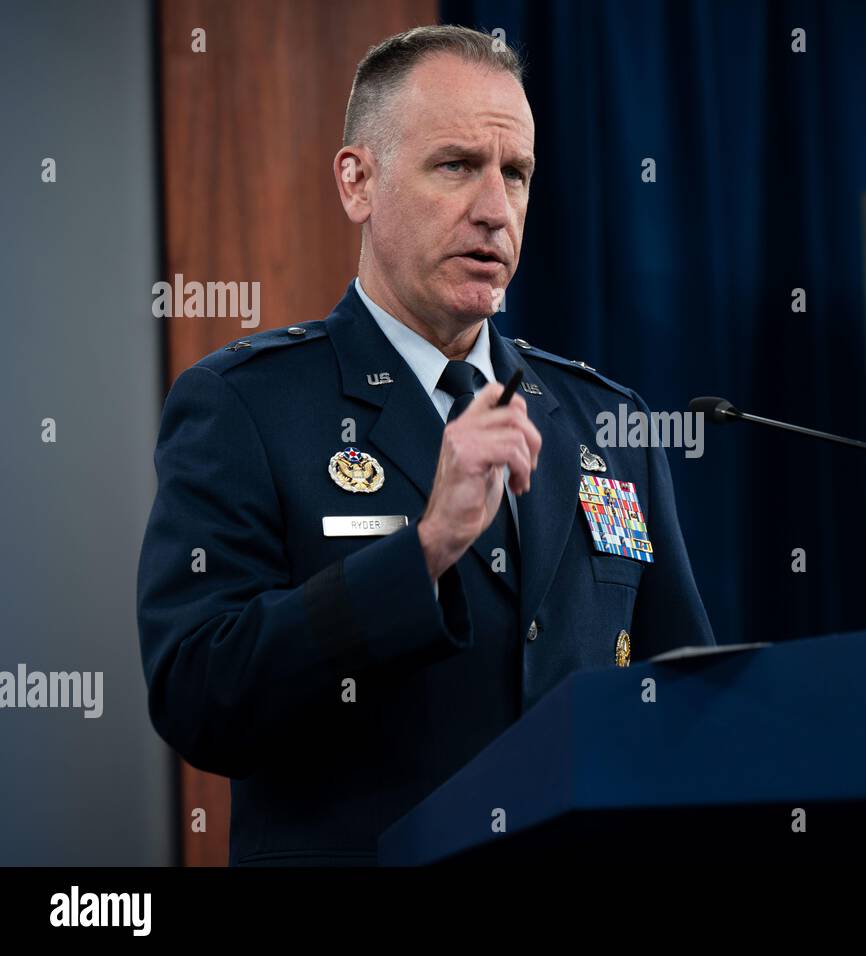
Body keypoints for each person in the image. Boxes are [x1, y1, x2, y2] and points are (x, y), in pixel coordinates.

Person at [136, 25, 714, 866]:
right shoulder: (246, 407)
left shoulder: (605, 422)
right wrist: (424, 553)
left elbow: (684, 698)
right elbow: (198, 700)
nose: (493, 208)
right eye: (455, 166)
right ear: (357, 181)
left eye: (515, 174)